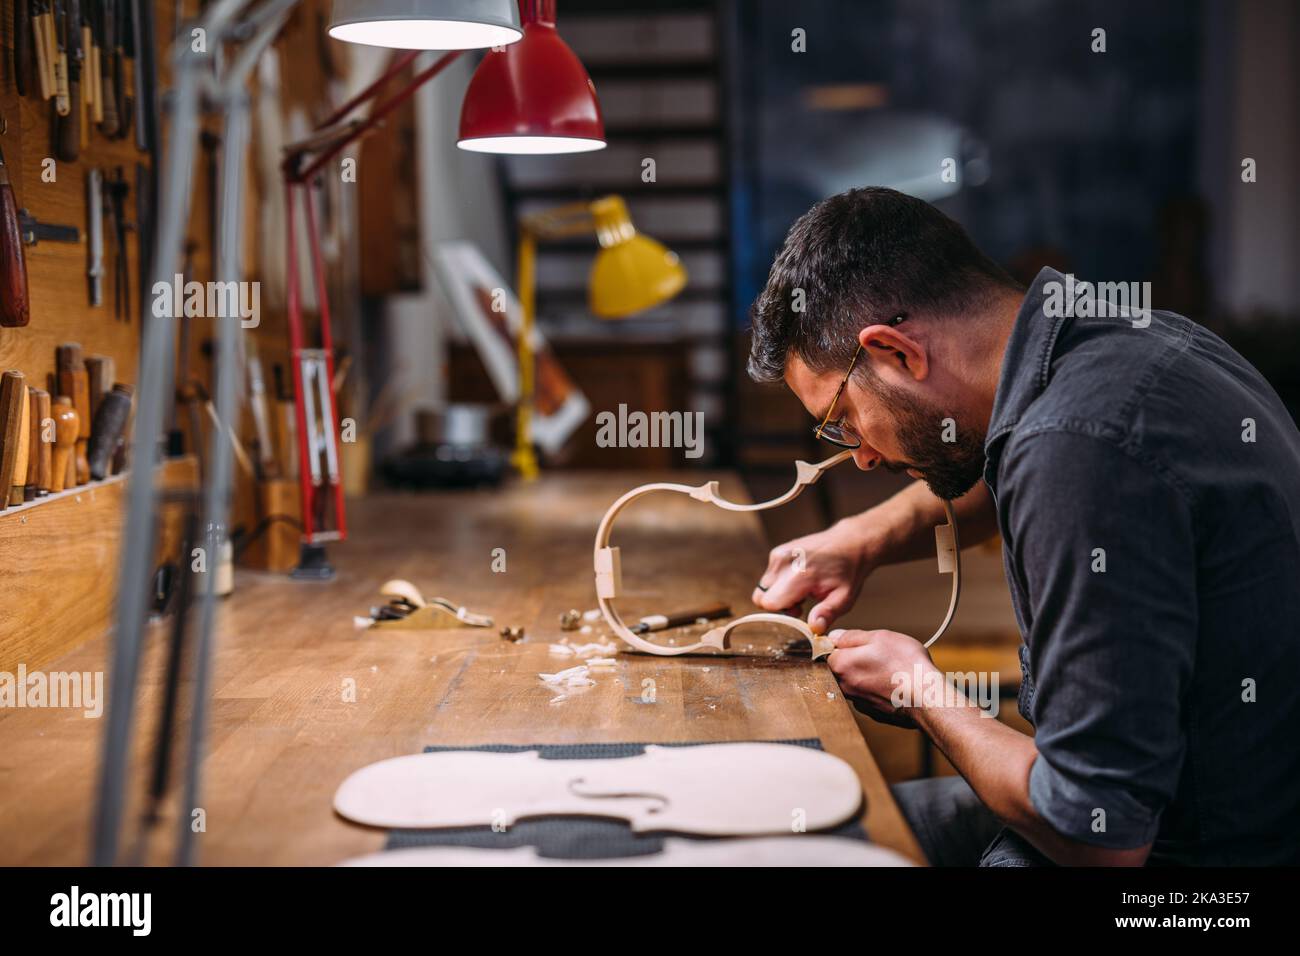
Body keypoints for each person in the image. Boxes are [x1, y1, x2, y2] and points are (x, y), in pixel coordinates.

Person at [747, 187, 1300, 866]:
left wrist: (919, 691)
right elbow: (1000, 455)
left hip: (1195, 858)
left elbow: (1097, 833)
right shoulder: (1103, 334)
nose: (858, 452)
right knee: (784, 834)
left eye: (843, 417)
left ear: (897, 352)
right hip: (1193, 801)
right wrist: (864, 539)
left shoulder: (1078, 447)